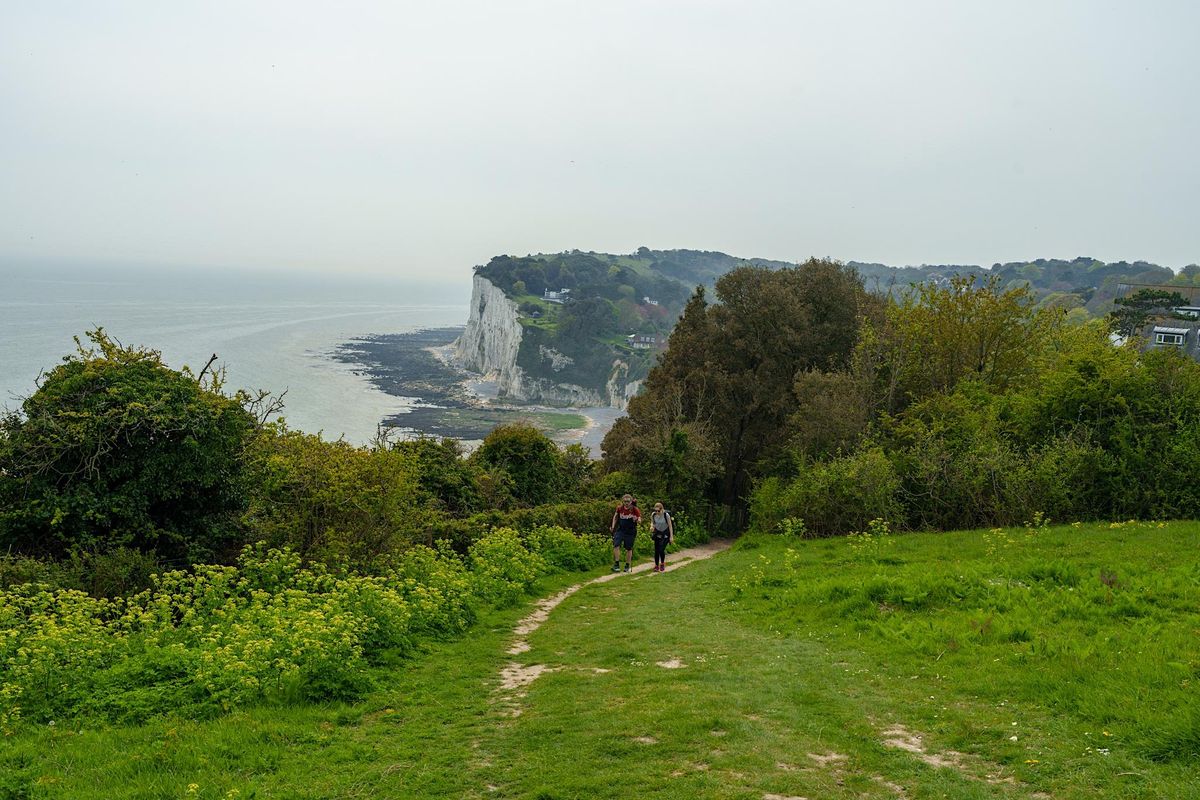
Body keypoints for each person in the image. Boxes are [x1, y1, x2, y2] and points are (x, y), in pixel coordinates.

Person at [610, 494, 640, 572]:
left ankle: (627, 565)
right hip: (621, 530)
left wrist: (636, 519)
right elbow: (615, 516)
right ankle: (616, 564)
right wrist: (613, 527)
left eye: (628, 501)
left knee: (628, 548)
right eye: (625, 501)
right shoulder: (620, 508)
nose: (626, 503)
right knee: (616, 544)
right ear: (622, 501)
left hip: (630, 531)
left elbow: (639, 519)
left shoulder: (634, 509)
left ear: (631, 501)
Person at [649, 502, 674, 572]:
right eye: (655, 510)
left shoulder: (666, 515)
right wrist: (651, 526)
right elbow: (652, 522)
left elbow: (670, 526)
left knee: (661, 549)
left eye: (658, 511)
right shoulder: (653, 515)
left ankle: (662, 563)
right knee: (656, 550)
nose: (657, 512)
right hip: (657, 532)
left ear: (662, 509)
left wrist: (671, 537)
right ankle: (656, 565)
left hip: (665, 533)